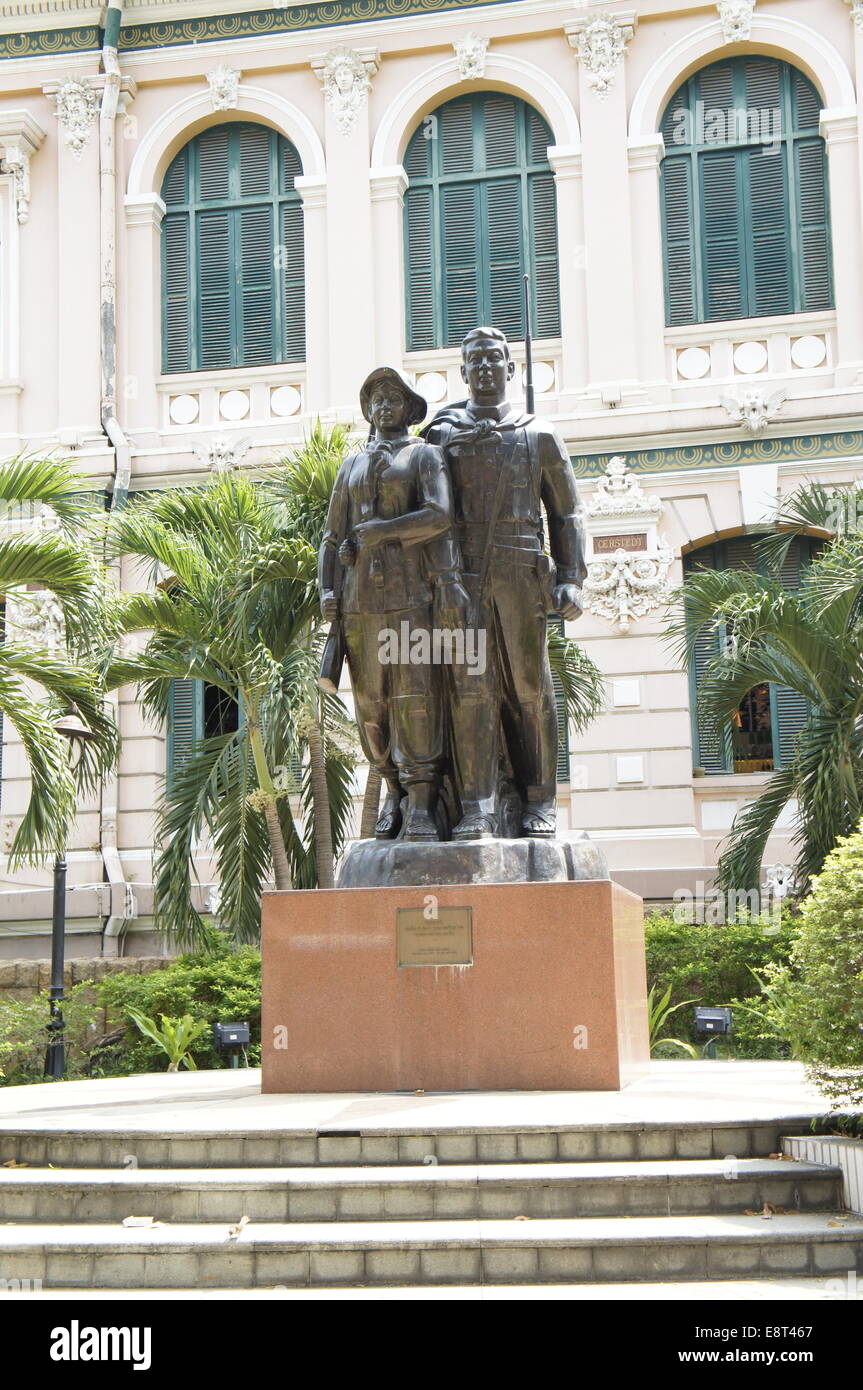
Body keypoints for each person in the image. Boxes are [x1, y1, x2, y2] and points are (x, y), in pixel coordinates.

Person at [422, 326, 587, 840]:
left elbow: (567, 512)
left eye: (496, 359)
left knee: (528, 687)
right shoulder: (442, 434)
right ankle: (477, 807)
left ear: (512, 369)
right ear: (463, 373)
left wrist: (571, 579)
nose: (487, 368)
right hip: (459, 578)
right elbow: (426, 511)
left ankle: (539, 800)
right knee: (469, 691)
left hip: (520, 574)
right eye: (477, 361)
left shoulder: (538, 433)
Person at [318, 367, 468, 841]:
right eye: (376, 400)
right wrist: (328, 590)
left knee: (416, 701)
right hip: (361, 604)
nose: (384, 407)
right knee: (372, 707)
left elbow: (440, 514)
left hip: (410, 600)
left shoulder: (424, 455)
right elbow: (331, 534)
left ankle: (422, 800)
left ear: (408, 408)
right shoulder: (351, 466)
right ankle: (393, 791)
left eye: (393, 399)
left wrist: (385, 531)